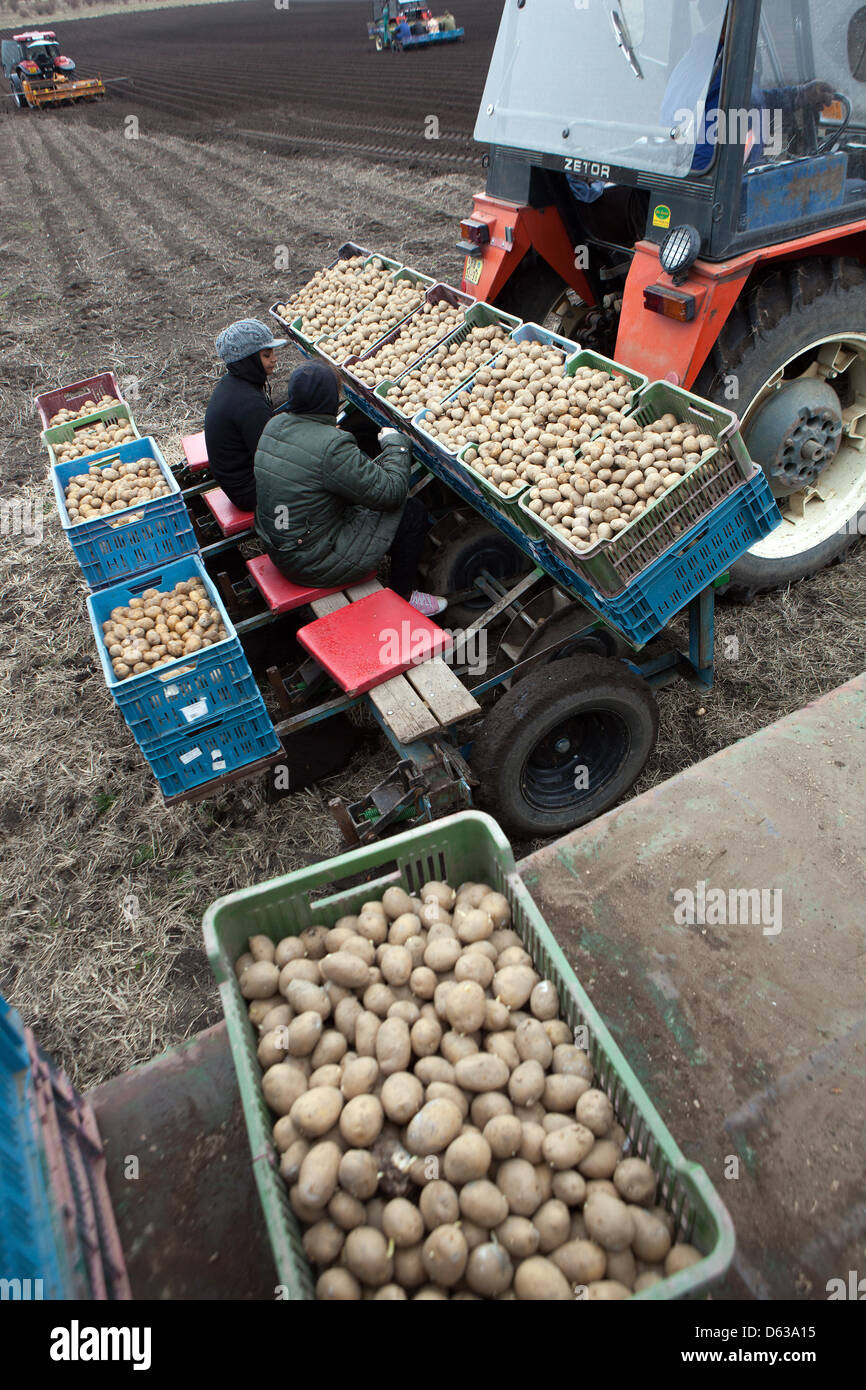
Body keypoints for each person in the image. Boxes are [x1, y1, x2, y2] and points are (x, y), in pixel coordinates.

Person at [254, 361, 447, 616]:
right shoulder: (331, 446)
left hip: (279, 541)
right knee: (411, 512)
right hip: (311, 561)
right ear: (328, 400)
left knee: (350, 493)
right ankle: (405, 596)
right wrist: (395, 446)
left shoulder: (274, 425)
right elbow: (391, 494)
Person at [204, 319, 286, 513]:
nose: (274, 359)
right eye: (267, 355)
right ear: (248, 361)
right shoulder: (249, 404)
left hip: (236, 479)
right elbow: (273, 458)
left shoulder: (235, 383)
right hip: (249, 491)